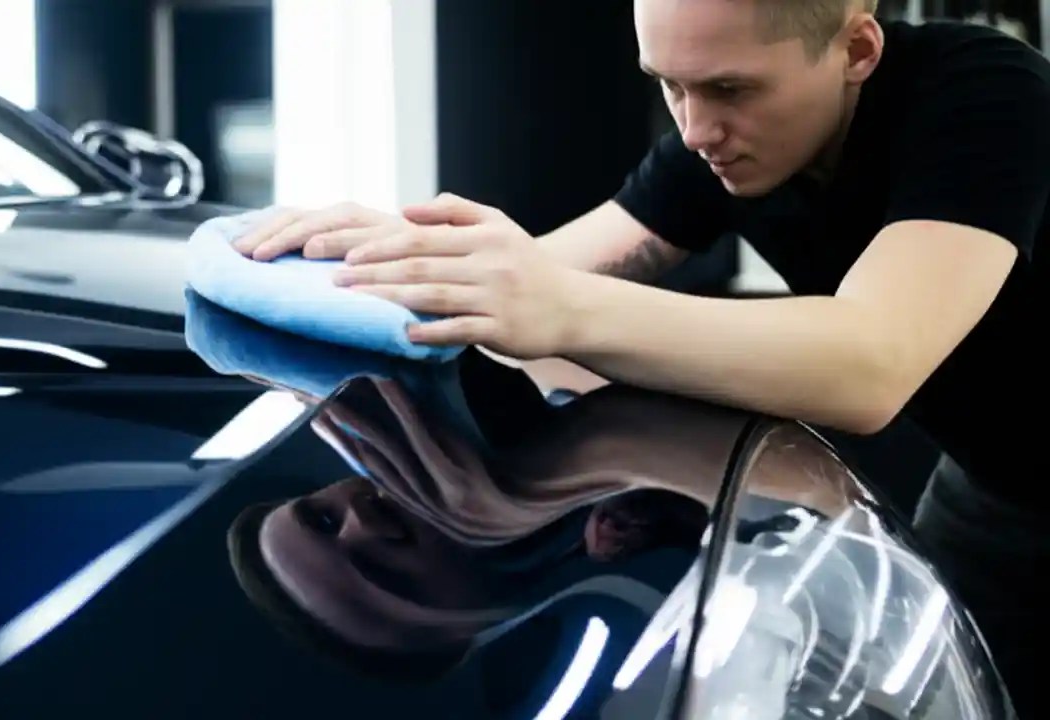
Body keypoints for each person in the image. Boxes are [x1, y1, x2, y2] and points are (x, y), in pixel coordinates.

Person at [235, 1, 1047, 714]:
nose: (694, 129)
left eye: (730, 89)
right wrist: (376, 266)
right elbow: (548, 275)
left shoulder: (981, 92)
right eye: (669, 85)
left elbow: (874, 363)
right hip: (999, 485)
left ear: (858, 53)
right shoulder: (717, 147)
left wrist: (562, 309)